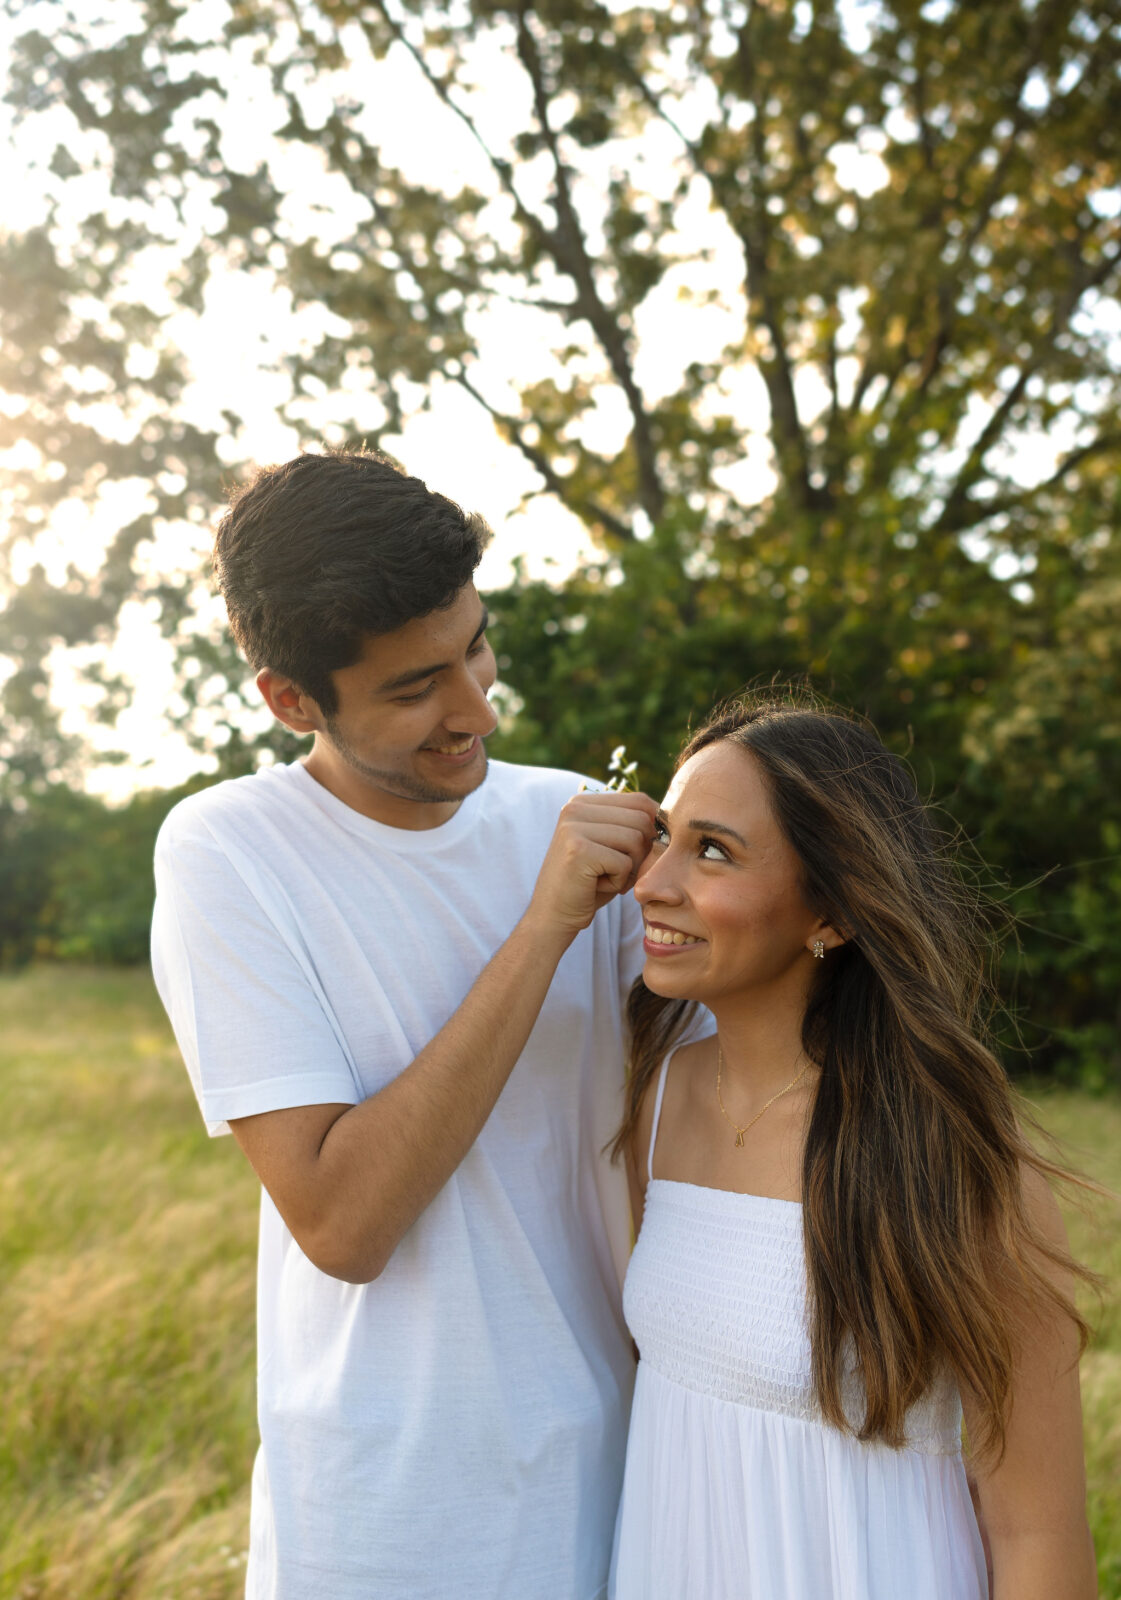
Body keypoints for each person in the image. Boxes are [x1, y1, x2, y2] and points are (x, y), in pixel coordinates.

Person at [150, 447, 663, 1600]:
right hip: (390, 1512)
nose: (476, 706)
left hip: (621, 1471)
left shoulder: (567, 811)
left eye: (475, 645)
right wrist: (541, 929)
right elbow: (343, 1224)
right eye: (413, 685)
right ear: (290, 699)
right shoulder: (228, 851)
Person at [609, 693, 1097, 1600]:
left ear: (829, 913)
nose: (652, 882)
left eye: (711, 850)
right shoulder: (654, 1098)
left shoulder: (946, 1151)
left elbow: (1038, 1532)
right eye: (663, 836)